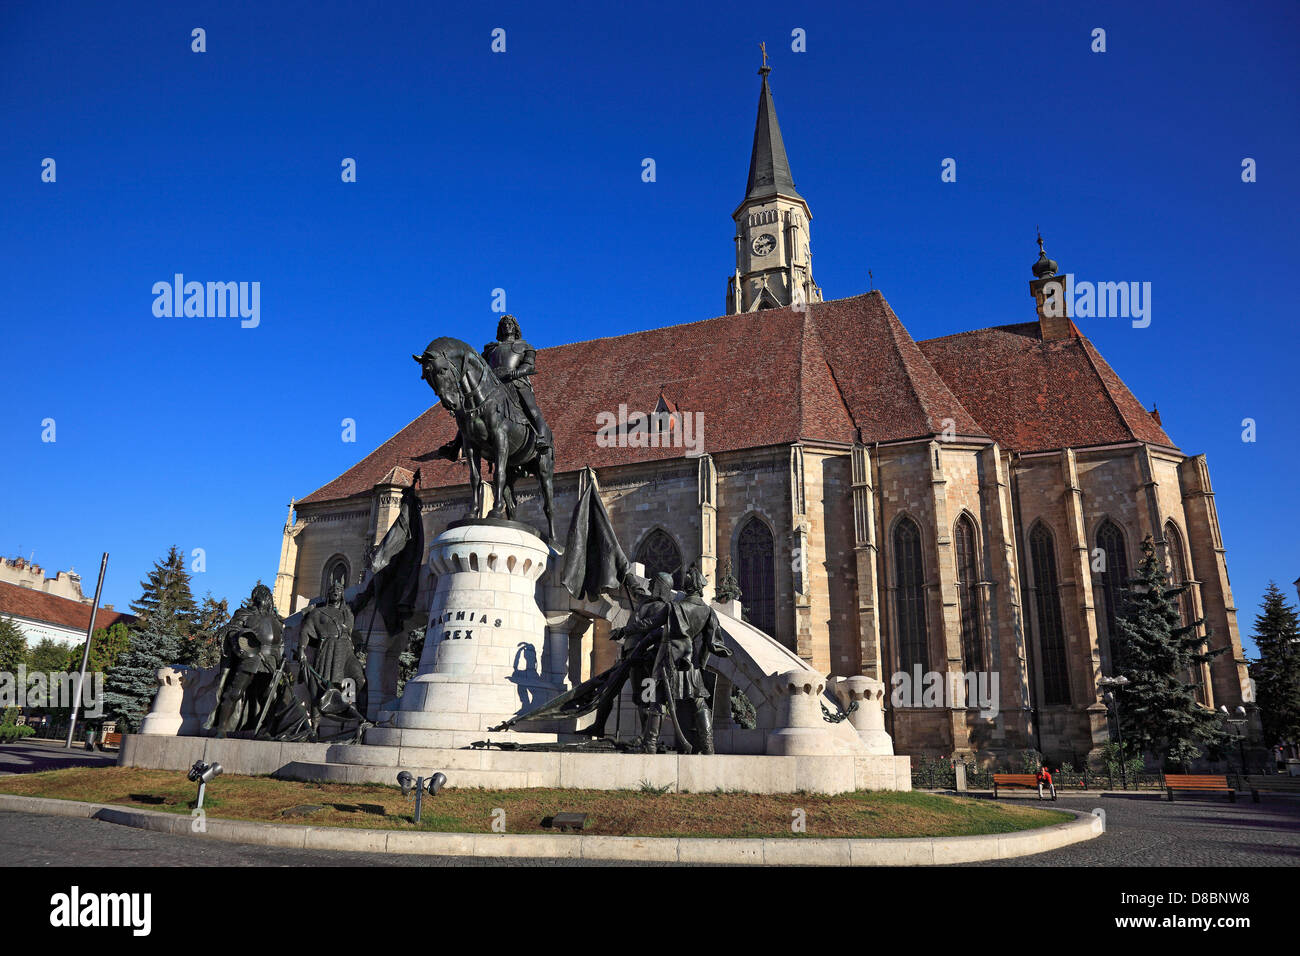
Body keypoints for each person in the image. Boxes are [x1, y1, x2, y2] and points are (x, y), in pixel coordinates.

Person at [481, 314, 552, 453]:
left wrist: (519, 372)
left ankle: (542, 437)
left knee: (531, 409)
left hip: (516, 381)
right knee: (472, 408)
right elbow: (482, 367)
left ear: (515, 328)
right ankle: (457, 444)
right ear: (500, 329)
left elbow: (529, 366)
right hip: (494, 384)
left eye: (510, 324)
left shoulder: (525, 347)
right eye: (504, 325)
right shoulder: (491, 349)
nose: (507, 327)